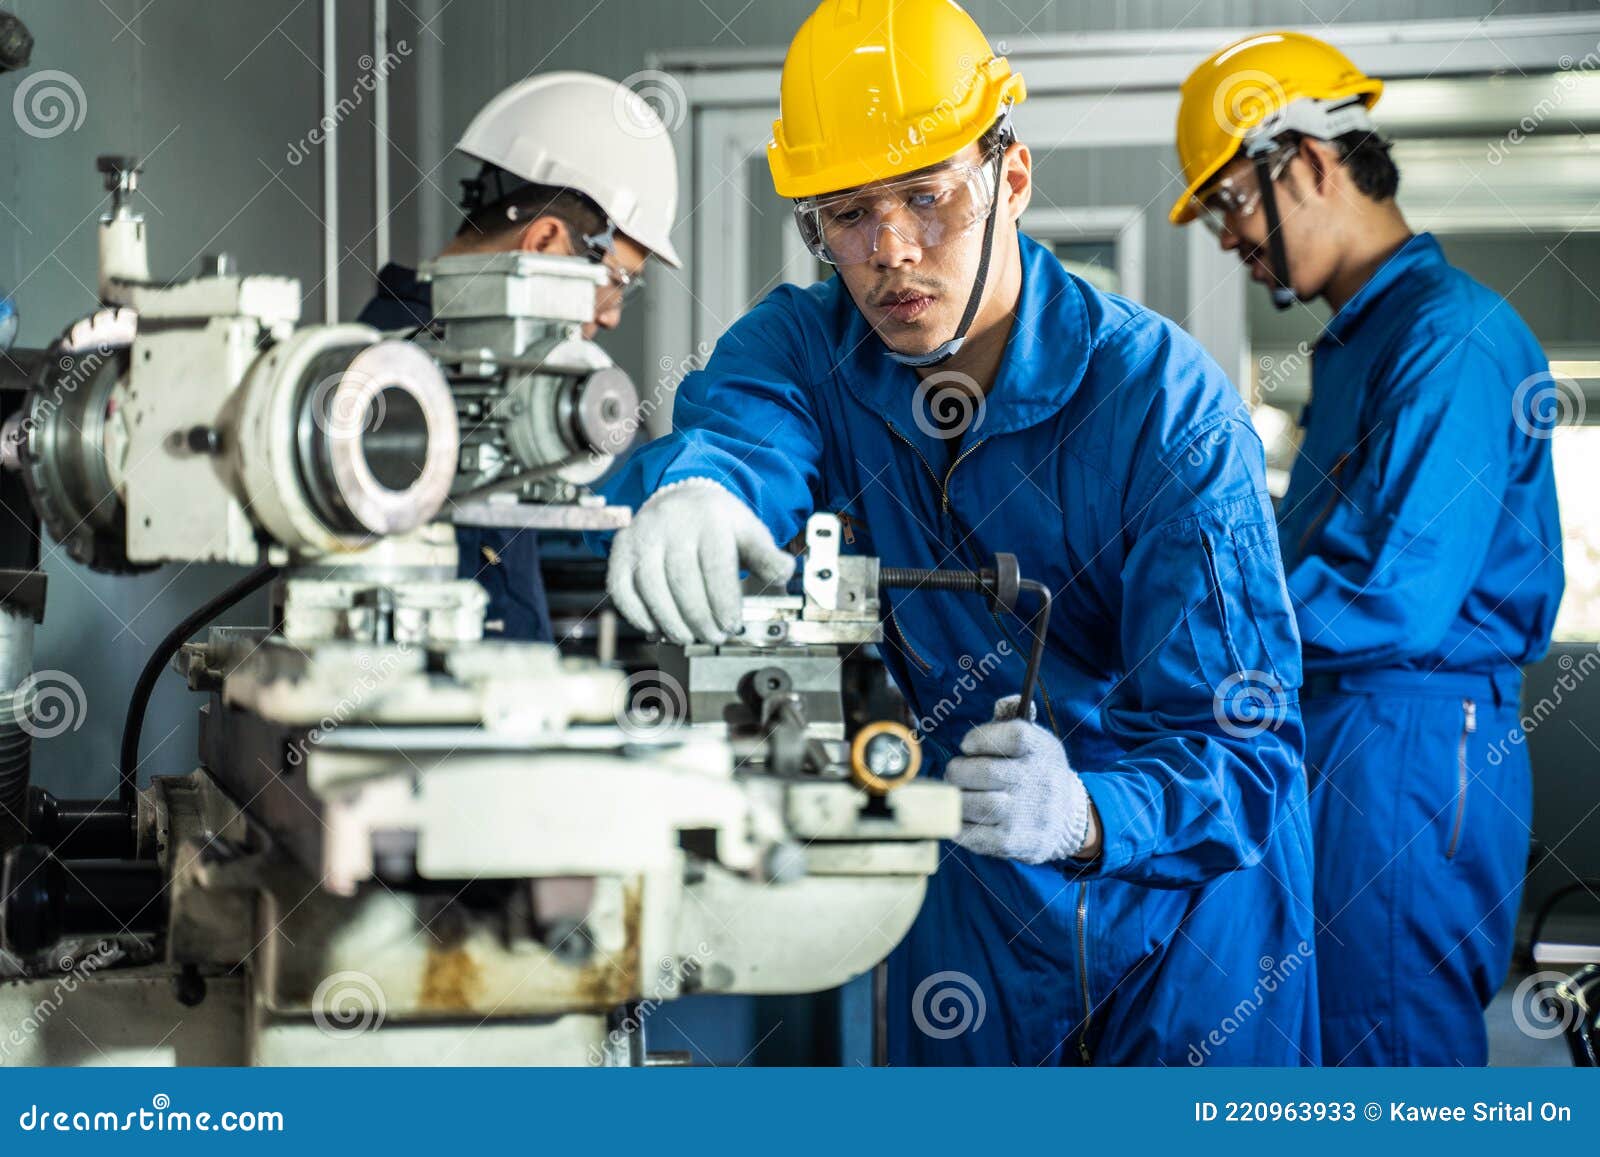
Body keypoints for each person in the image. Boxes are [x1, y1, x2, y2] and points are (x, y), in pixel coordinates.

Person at [602, 0, 1318, 1066]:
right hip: (971, 906)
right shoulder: (803, 346)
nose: (889, 251)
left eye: (927, 197)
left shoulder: (1166, 410)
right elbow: (747, 430)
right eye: (847, 214)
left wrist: (1086, 814)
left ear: (1010, 179)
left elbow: (1242, 744)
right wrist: (706, 487)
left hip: (1182, 918)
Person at [1171, 31, 1565, 1065]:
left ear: (1307, 161)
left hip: (1408, 742)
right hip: (1351, 728)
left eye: (1229, 201)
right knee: (1330, 1044)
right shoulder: (1363, 343)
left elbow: (1397, 594)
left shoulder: (1449, 339)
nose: (1228, 236)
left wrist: (1191, 633)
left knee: (1385, 1055)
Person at [358, 71, 681, 642]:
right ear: (545, 244)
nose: (611, 316)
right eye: (617, 281)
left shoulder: (491, 370)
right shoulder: (389, 371)